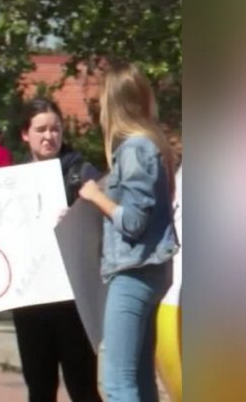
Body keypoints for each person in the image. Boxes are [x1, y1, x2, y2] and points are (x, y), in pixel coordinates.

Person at [0, 97, 102, 402]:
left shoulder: (81, 173)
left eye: (55, 129)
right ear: (25, 134)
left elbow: (104, 224)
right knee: (39, 389)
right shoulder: (8, 183)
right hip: (30, 303)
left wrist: (79, 219)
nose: (49, 136)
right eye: (41, 129)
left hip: (72, 302)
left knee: (82, 388)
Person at [78, 62, 178, 402]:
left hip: (133, 273)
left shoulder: (135, 149)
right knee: (138, 375)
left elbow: (134, 222)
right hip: (151, 270)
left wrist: (96, 197)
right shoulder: (152, 146)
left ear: (113, 105)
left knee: (118, 382)